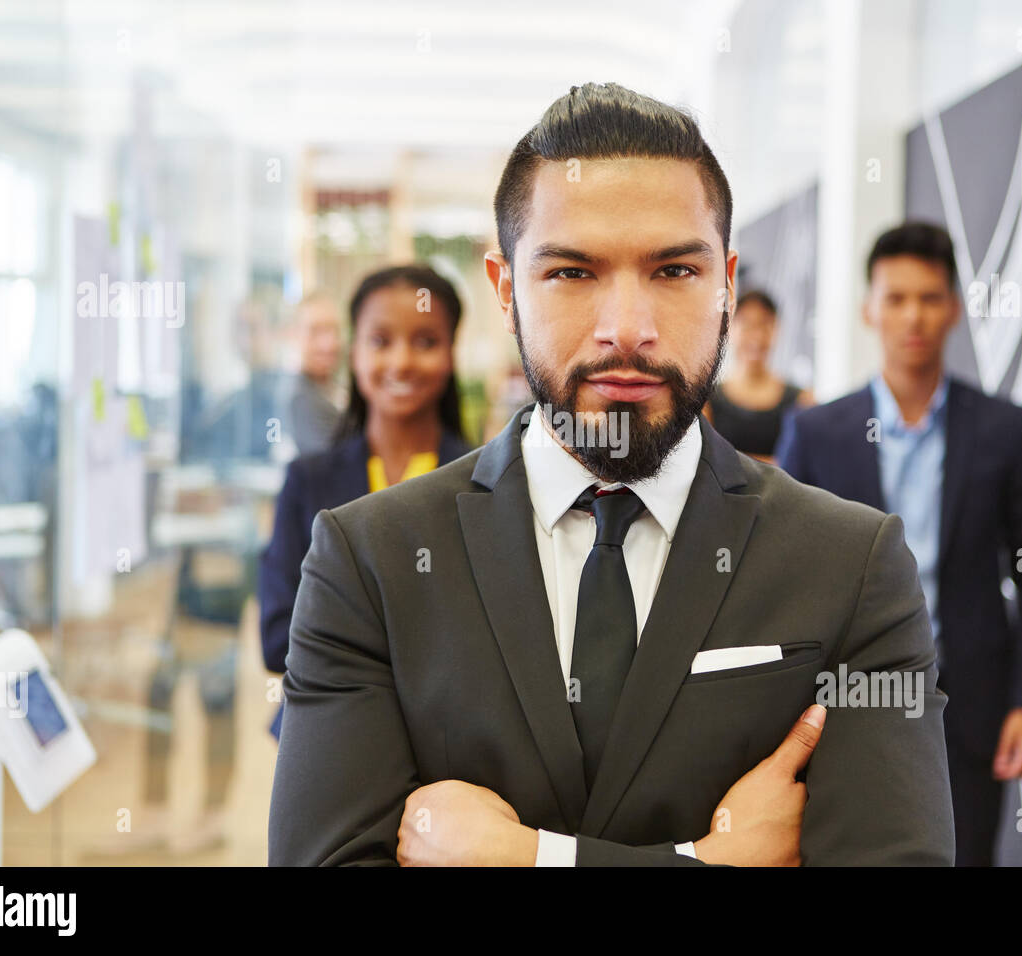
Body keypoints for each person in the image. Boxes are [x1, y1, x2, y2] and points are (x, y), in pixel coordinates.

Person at [269, 83, 954, 866]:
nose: (627, 329)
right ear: (506, 290)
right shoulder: (368, 562)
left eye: (673, 272)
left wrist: (527, 859)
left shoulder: (853, 566)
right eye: (571, 273)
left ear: (725, 284)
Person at [774, 221, 1022, 866]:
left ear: (954, 309)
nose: (914, 316)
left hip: (973, 704)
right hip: (846, 702)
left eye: (930, 298)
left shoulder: (1002, 429)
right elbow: (781, 574)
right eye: (896, 298)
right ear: (868, 310)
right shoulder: (818, 433)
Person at [258, 265, 474, 740]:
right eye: (380, 341)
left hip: (452, 749)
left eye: (425, 341)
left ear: (451, 353)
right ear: (353, 352)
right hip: (327, 739)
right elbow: (278, 640)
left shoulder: (486, 483)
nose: (401, 362)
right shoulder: (307, 482)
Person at [702, 290, 813, 461]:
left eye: (764, 324)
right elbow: (705, 460)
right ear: (729, 328)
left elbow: (807, 463)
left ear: (776, 330)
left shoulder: (802, 400)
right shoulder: (706, 399)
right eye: (746, 324)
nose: (756, 335)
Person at [283, 292, 343, 456]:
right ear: (293, 334)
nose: (328, 344)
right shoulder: (300, 399)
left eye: (334, 330)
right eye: (315, 331)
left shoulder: (336, 388)